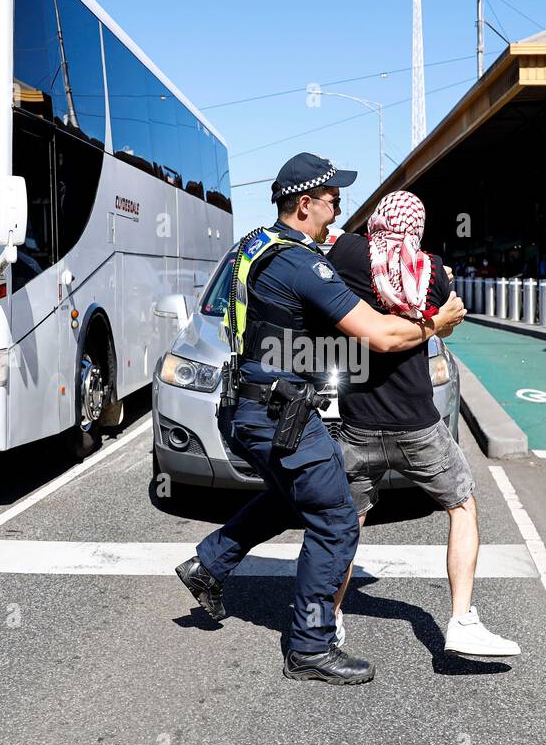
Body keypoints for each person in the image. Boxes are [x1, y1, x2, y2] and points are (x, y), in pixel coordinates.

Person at [176, 152, 466, 685]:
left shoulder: (256, 245)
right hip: (277, 411)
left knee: (293, 497)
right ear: (304, 203)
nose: (338, 208)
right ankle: (310, 645)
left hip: (247, 407)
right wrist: (434, 323)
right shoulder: (301, 264)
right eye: (332, 199)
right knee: (335, 517)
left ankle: (210, 563)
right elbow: (380, 335)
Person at [326, 191, 518, 657]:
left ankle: (329, 620)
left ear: (377, 219)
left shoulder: (348, 253)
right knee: (462, 505)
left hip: (357, 423)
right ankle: (462, 620)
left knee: (347, 523)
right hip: (417, 423)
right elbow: (444, 324)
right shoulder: (429, 269)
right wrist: (432, 317)